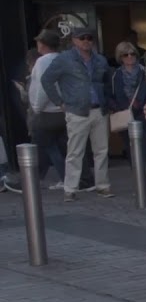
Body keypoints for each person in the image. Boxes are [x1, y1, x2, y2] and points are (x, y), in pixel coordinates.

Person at [40, 26, 113, 202]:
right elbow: (46, 79)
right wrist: (60, 102)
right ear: (74, 40)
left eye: (89, 38)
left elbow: (106, 82)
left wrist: (108, 102)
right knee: (75, 151)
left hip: (98, 109)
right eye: (82, 38)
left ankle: (103, 185)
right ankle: (70, 188)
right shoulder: (64, 59)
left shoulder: (100, 60)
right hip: (77, 111)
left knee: (101, 150)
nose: (86, 41)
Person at [108, 40, 146, 196]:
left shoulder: (145, 72)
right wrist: (116, 107)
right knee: (132, 153)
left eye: (132, 54)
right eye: (125, 55)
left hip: (144, 115)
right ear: (120, 57)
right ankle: (139, 187)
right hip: (126, 116)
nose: (130, 57)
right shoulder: (115, 76)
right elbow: (109, 95)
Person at [28, 29, 67, 189]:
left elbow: (43, 87)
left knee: (48, 146)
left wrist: (37, 107)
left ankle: (63, 178)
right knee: (56, 146)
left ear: (43, 44)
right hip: (63, 111)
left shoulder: (42, 62)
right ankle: (38, 177)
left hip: (47, 111)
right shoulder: (63, 59)